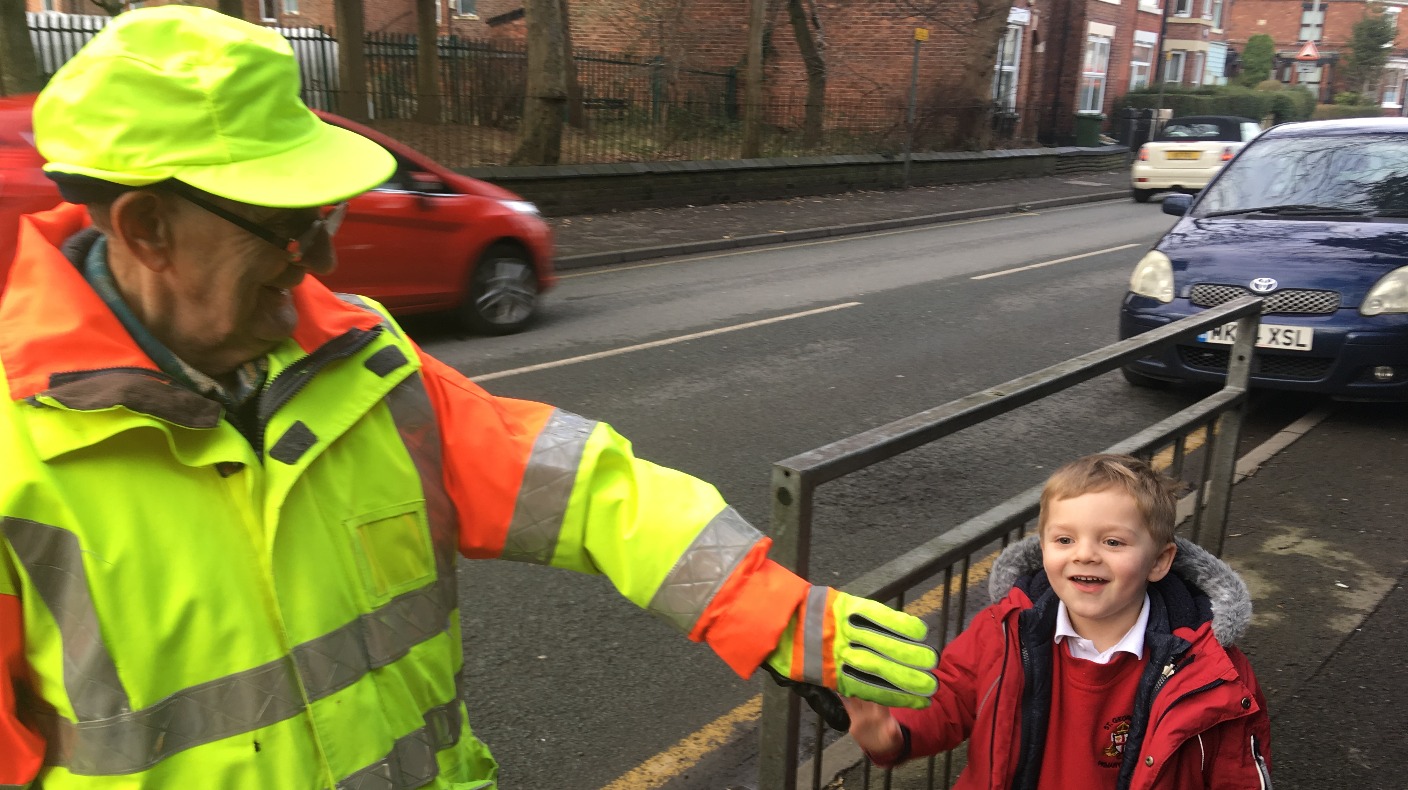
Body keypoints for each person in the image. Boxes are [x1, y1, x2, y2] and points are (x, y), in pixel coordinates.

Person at [0, 8, 941, 788]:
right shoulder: (16, 456)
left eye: (324, 219)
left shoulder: (360, 358)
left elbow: (586, 491)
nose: (322, 258)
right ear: (149, 229)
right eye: (289, 229)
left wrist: (771, 611)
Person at [843, 454, 1273, 789]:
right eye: (1065, 539)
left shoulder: (1212, 671)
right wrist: (897, 733)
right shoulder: (1005, 628)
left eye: (1112, 541)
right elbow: (952, 694)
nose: (1084, 554)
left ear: (1159, 561)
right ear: (1043, 548)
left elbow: (1236, 773)